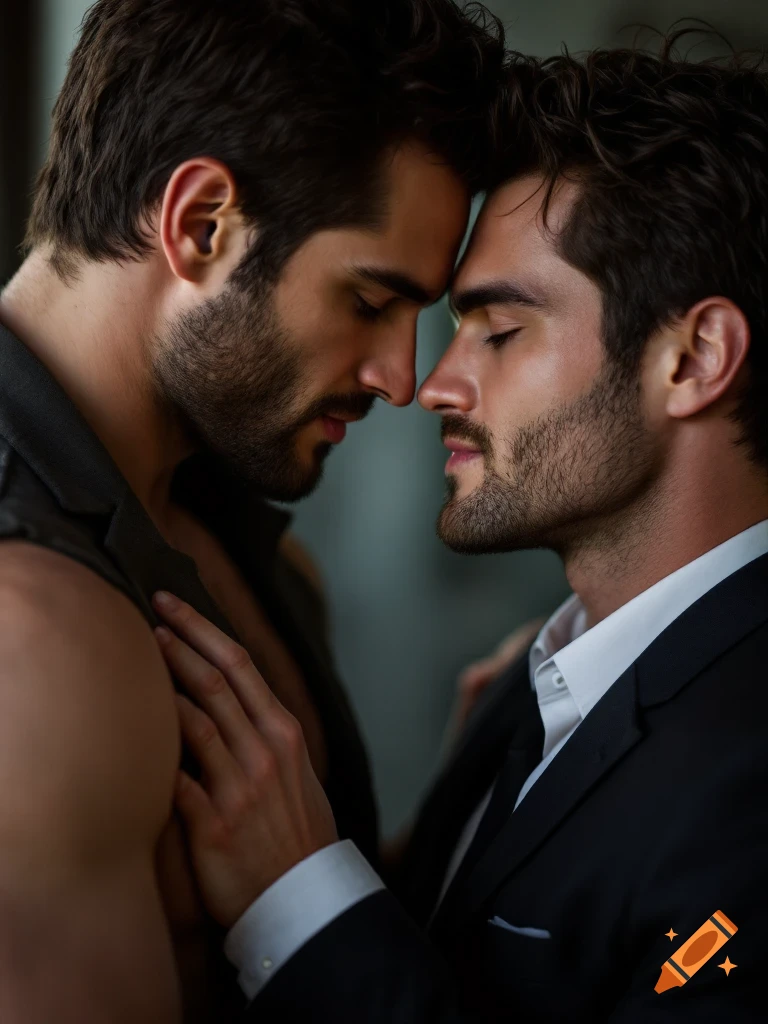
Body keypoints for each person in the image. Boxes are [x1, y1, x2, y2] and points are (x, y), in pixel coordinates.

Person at [154, 37, 768, 1022]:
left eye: (502, 329)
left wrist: (302, 903)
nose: (432, 384)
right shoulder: (531, 691)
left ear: (693, 359)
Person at [0, 1, 506, 1021]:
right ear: (201, 225)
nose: (400, 380)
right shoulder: (30, 644)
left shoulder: (234, 523)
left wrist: (477, 796)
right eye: (370, 302)